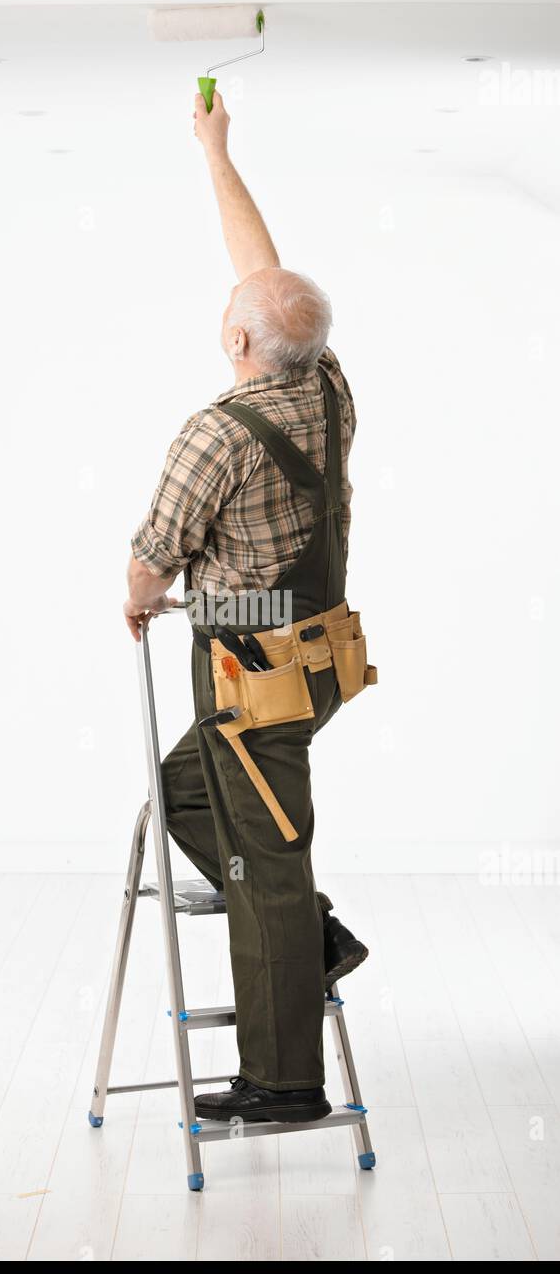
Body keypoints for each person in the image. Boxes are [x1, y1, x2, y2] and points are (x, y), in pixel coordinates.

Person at [123, 90, 369, 1125]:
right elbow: (265, 278)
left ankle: (284, 1083)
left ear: (236, 342)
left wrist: (138, 602)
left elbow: (149, 562)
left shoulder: (214, 432)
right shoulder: (326, 388)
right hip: (315, 665)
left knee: (262, 861)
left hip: (242, 670)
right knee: (185, 796)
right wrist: (217, 154)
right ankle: (313, 939)